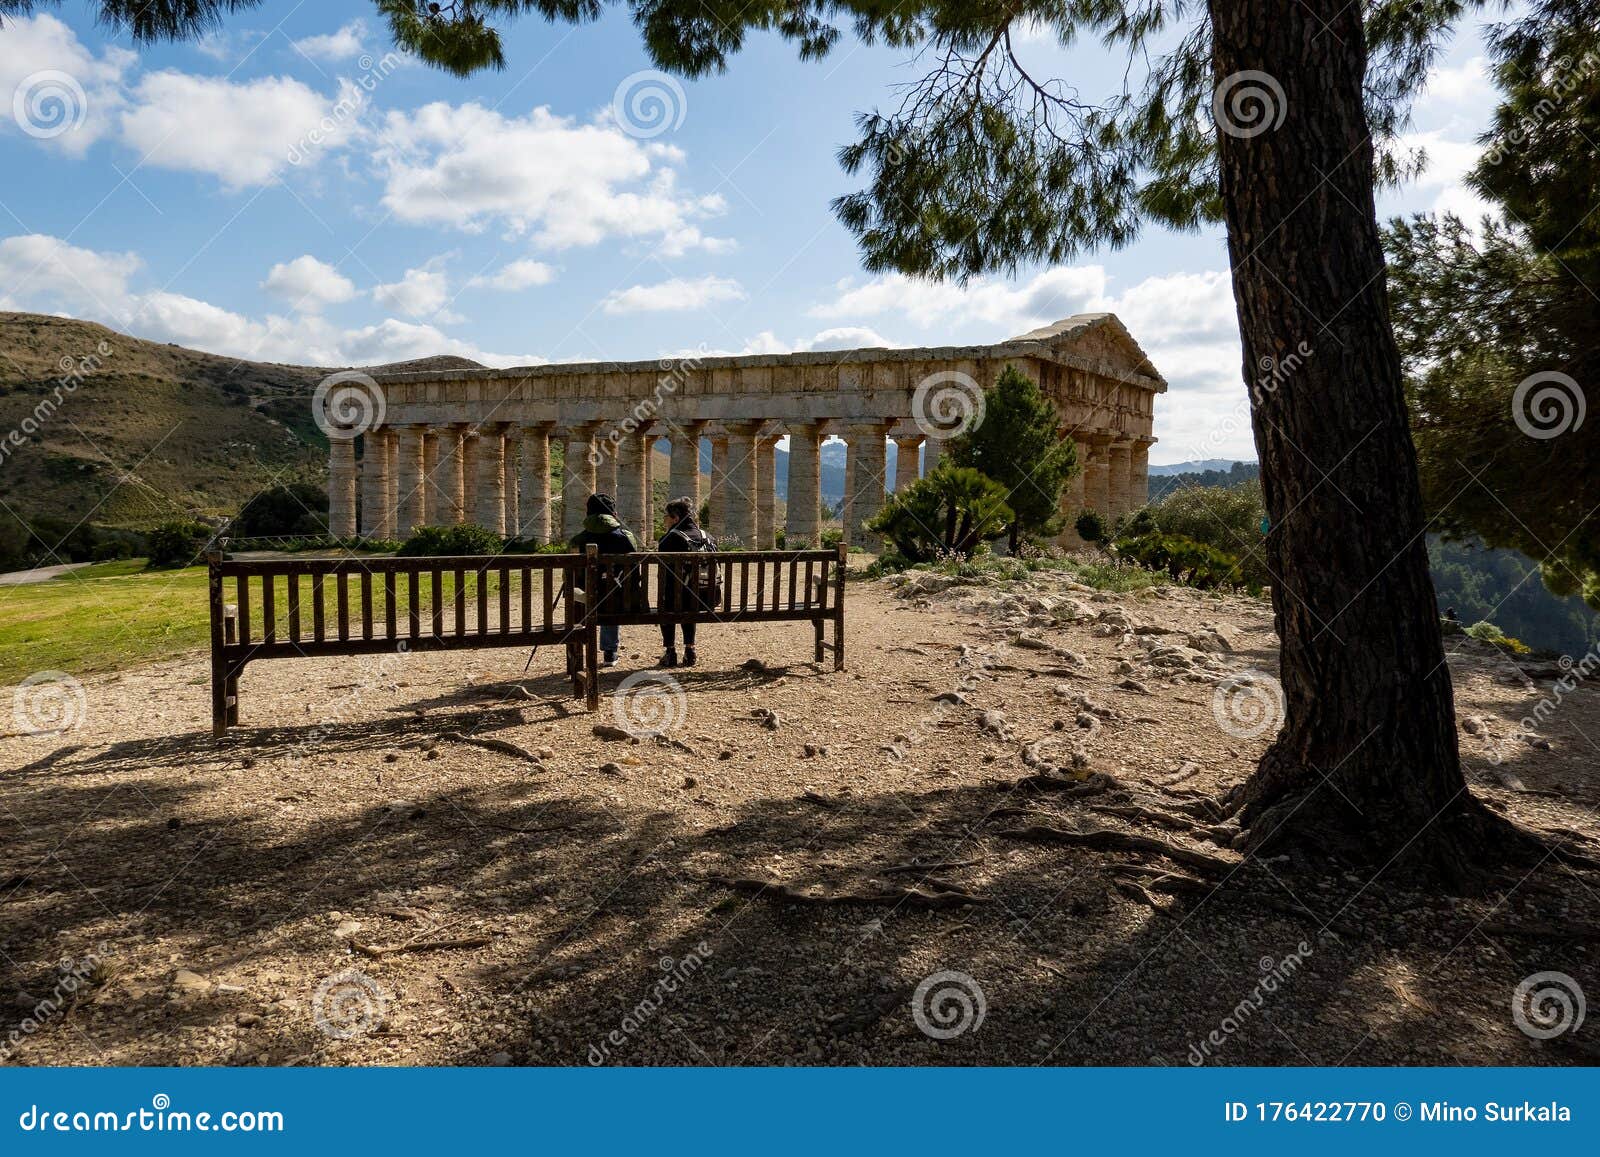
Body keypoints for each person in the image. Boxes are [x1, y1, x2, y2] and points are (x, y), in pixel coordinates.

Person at [568, 492, 641, 666]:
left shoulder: (577, 540)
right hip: (620, 601)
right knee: (611, 592)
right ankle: (610, 652)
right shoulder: (626, 538)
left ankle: (576, 657)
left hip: (585, 600)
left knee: (583, 592)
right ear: (614, 514)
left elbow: (570, 576)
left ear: (588, 513)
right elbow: (634, 572)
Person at [656, 496, 715, 668]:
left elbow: (665, 573)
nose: (664, 520)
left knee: (670, 598)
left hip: (678, 601)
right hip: (707, 599)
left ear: (675, 518)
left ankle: (670, 651)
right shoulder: (708, 537)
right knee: (689, 596)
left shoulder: (670, 539)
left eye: (666, 516)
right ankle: (690, 650)